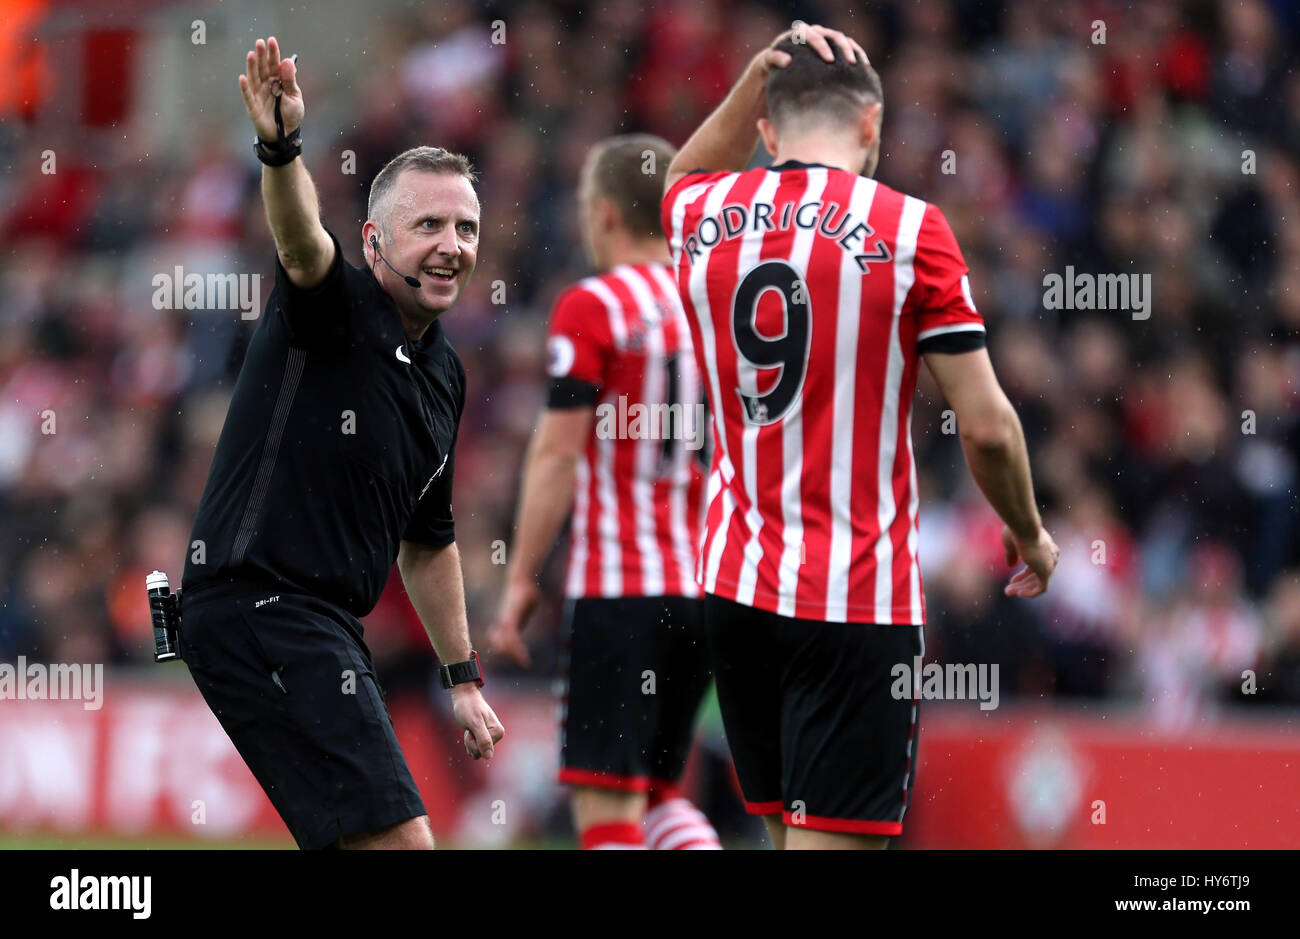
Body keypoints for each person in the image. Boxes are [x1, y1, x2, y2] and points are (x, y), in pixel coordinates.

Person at [660, 24, 1060, 850]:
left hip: (735, 592)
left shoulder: (699, 216)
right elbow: (985, 427)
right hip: (855, 601)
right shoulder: (912, 231)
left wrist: (753, 77)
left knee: (783, 839)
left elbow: (683, 169)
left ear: (766, 131)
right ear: (873, 123)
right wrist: (1031, 533)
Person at [178, 36, 503, 850]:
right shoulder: (333, 307)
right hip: (260, 606)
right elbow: (298, 239)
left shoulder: (445, 374)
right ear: (373, 240)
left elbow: (428, 542)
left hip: (316, 624)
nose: (451, 245)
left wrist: (462, 680)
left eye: (465, 227)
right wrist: (281, 149)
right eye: (426, 224)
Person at [488, 135, 721, 850]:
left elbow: (557, 452)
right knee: (656, 794)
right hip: (704, 591)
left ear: (607, 215)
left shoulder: (594, 307)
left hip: (620, 589)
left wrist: (522, 574)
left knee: (606, 805)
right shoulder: (712, 303)